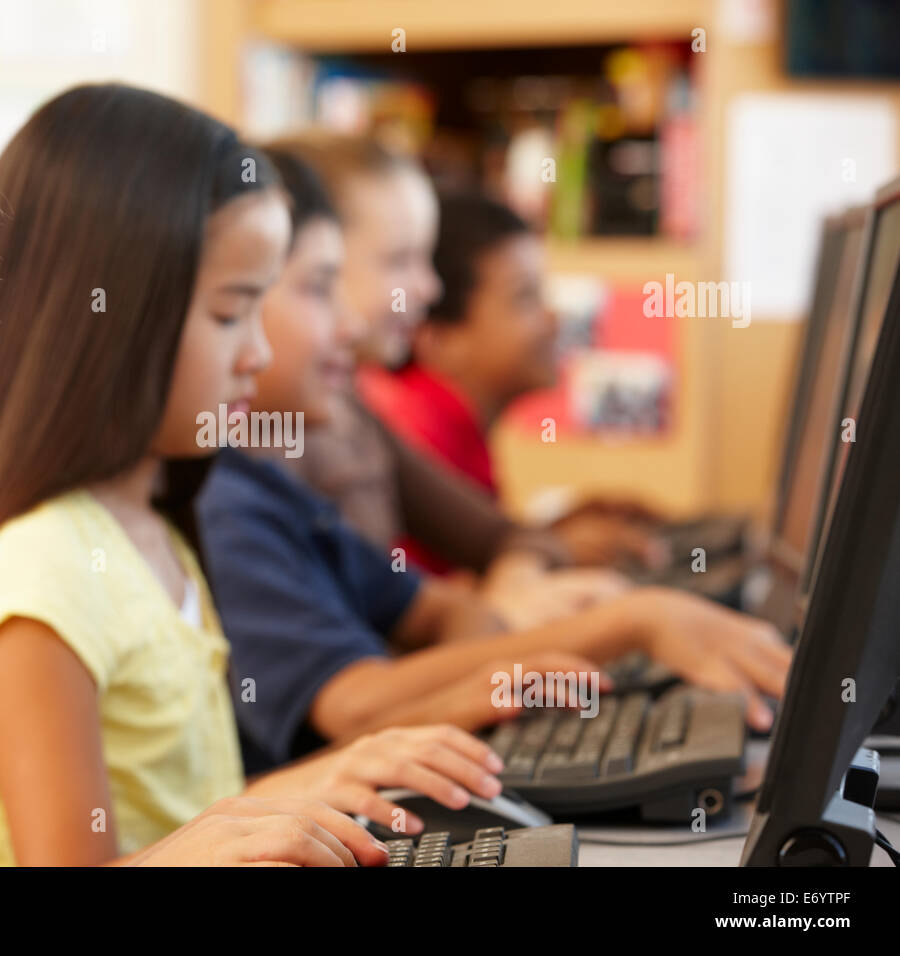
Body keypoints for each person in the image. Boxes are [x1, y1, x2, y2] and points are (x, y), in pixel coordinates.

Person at [0, 84, 536, 867]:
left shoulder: (160, 522)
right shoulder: (46, 564)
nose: (258, 353)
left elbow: (203, 822)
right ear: (112, 318)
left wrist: (331, 775)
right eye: (231, 312)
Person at [196, 147, 793, 775]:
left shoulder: (293, 460)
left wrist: (486, 649)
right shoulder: (226, 499)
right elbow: (356, 703)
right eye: (321, 285)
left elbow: (443, 605)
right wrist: (622, 625)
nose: (423, 291)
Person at [360, 191, 667, 568]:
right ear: (439, 340)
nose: (553, 320)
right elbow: (425, 610)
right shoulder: (417, 430)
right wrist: (552, 552)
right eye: (525, 298)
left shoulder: (448, 424)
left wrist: (550, 534)